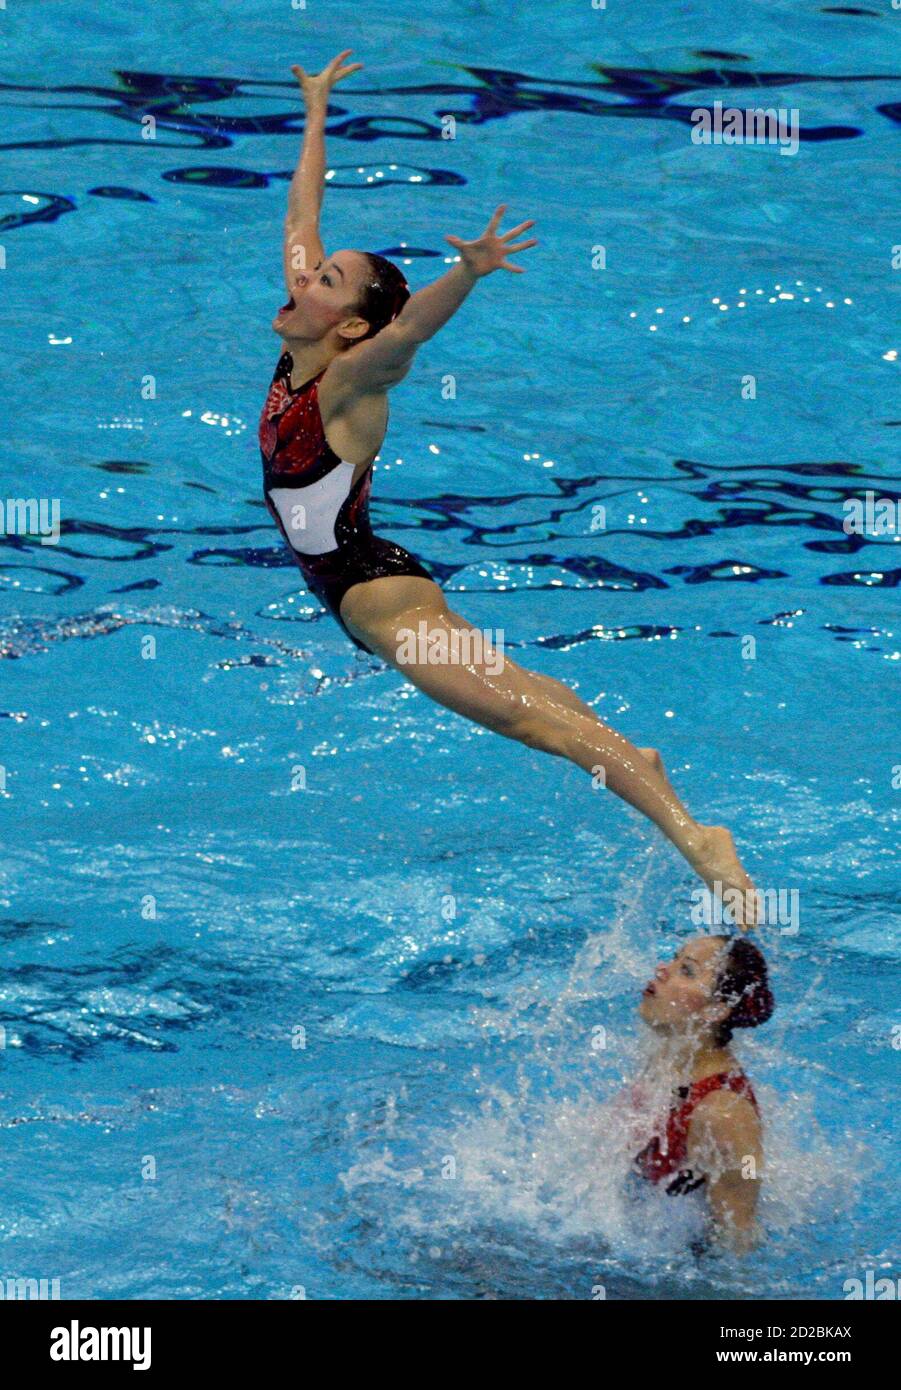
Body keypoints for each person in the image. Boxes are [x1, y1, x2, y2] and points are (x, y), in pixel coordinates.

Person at [259, 49, 758, 925]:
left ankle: (697, 838)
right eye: (312, 271)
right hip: (374, 582)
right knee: (542, 706)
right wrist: (315, 109)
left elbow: (409, 331)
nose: (306, 276)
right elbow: (303, 212)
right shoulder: (306, 340)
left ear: (354, 325)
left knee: (534, 725)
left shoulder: (346, 381)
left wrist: (469, 271)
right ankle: (638, 760)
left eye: (327, 280)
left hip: (381, 602)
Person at [629, 933, 774, 1252]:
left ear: (716, 1010)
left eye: (688, 971)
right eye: (674, 958)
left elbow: (736, 1245)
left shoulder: (722, 1114)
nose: (661, 970)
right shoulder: (670, 1056)